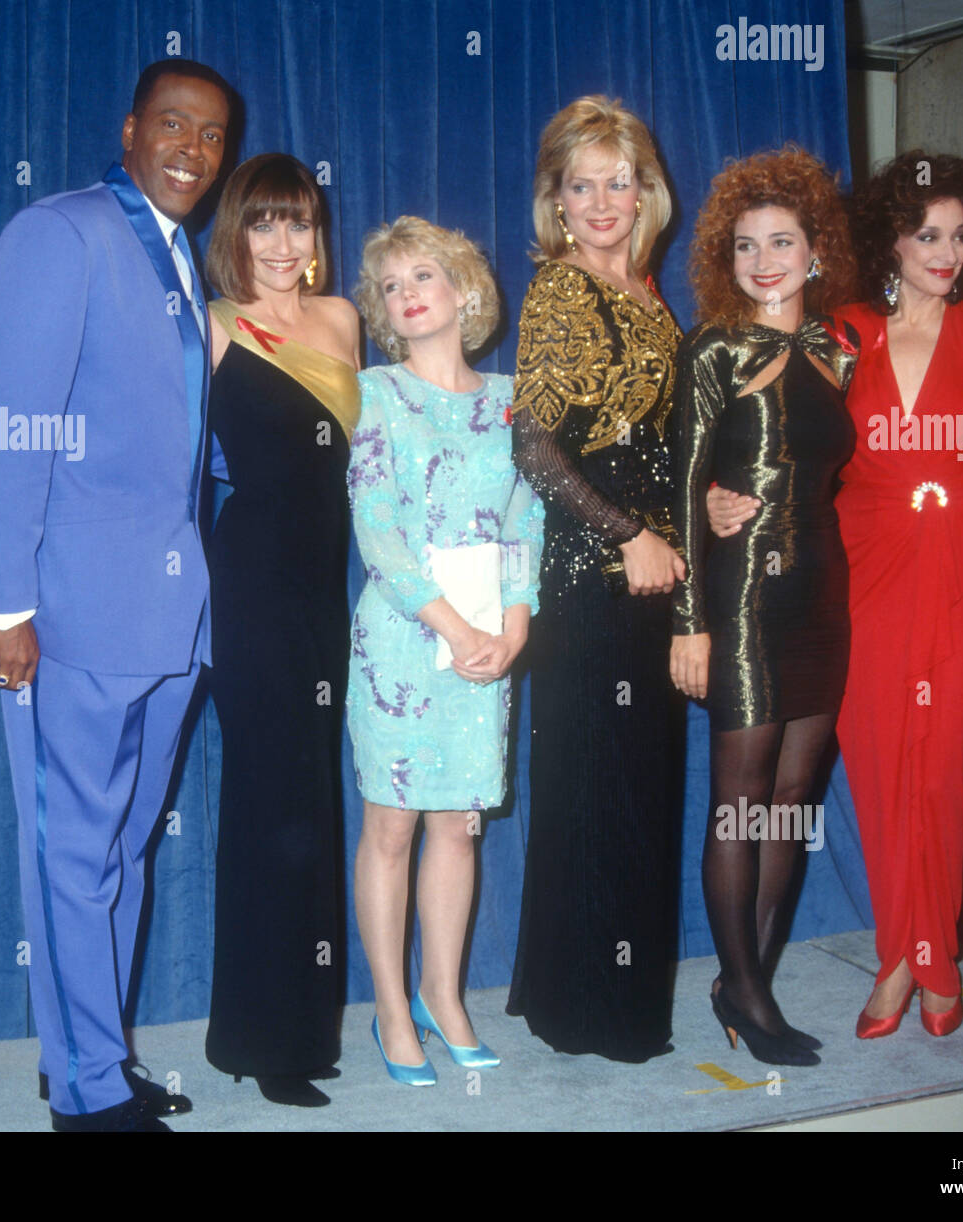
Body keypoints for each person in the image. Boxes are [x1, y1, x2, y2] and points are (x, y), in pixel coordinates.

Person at [706, 151, 963, 1038]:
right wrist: (721, 493)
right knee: (875, 764)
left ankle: (928, 957)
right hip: (857, 566)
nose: (947, 252)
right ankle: (899, 954)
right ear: (888, 242)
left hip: (959, 568)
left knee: (939, 769)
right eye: (925, 234)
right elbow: (781, 442)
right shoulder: (842, 333)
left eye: (960, 236)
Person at [0, 60, 233, 1131]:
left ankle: (93, 1055)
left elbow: (170, 441)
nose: (193, 149)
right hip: (68, 611)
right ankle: (83, 1092)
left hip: (167, 614)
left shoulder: (177, 261)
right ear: (129, 130)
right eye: (173, 124)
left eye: (213, 135)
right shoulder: (60, 233)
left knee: (121, 849)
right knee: (73, 851)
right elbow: (4, 425)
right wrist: (5, 605)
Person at [669, 148, 860, 1067]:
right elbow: (682, 486)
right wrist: (688, 621)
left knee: (791, 799)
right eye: (745, 246)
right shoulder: (714, 346)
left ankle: (748, 977)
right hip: (742, 591)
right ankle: (743, 990)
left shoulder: (839, 350)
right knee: (740, 803)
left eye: (781, 241)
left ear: (816, 250)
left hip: (823, 589)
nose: (764, 260)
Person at [506, 96, 684, 1063]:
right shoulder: (561, 291)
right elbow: (533, 445)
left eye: (621, 180)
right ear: (558, 201)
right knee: (596, 779)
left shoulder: (650, 293)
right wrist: (625, 537)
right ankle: (590, 1012)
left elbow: (663, 436)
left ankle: (597, 999)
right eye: (584, 183)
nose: (604, 199)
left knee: (637, 780)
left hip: (647, 560)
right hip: (594, 561)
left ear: (646, 191)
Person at [346, 216, 542, 1085]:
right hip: (404, 635)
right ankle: (392, 1009)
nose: (406, 293)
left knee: (459, 825)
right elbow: (378, 532)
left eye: (422, 274)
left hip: (488, 640)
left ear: (464, 288)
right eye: (390, 285)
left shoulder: (511, 397)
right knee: (391, 826)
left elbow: (524, 518)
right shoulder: (377, 392)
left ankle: (444, 994)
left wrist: (515, 627)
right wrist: (457, 629)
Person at [202, 155, 361, 1107]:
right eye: (264, 224)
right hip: (249, 581)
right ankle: (259, 1040)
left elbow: (376, 458)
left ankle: (309, 1025)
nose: (283, 243)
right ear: (239, 234)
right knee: (263, 800)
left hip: (323, 589)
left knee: (313, 799)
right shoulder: (212, 324)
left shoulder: (343, 320)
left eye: (298, 224)